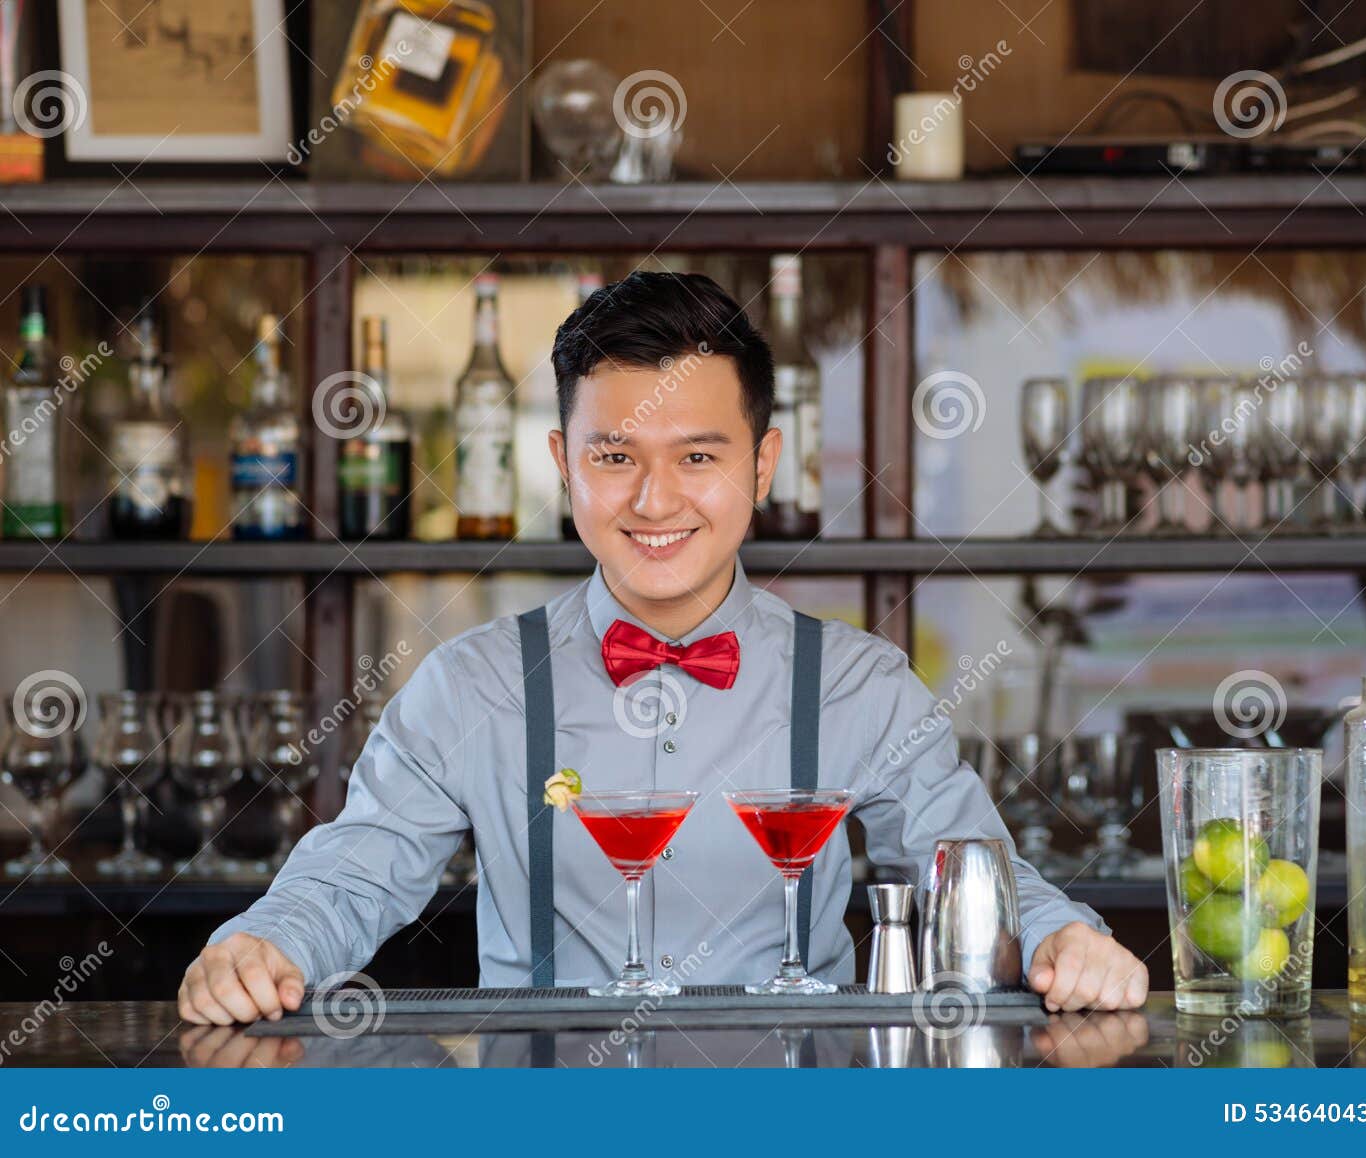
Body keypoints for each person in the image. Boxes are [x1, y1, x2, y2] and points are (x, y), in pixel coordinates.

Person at [177, 271, 1148, 1026]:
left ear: (761, 466)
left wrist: (1067, 939)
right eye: (614, 458)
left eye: (697, 456)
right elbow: (357, 868)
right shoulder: (469, 687)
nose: (653, 501)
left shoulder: (860, 686)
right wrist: (263, 944)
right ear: (563, 467)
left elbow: (967, 865)